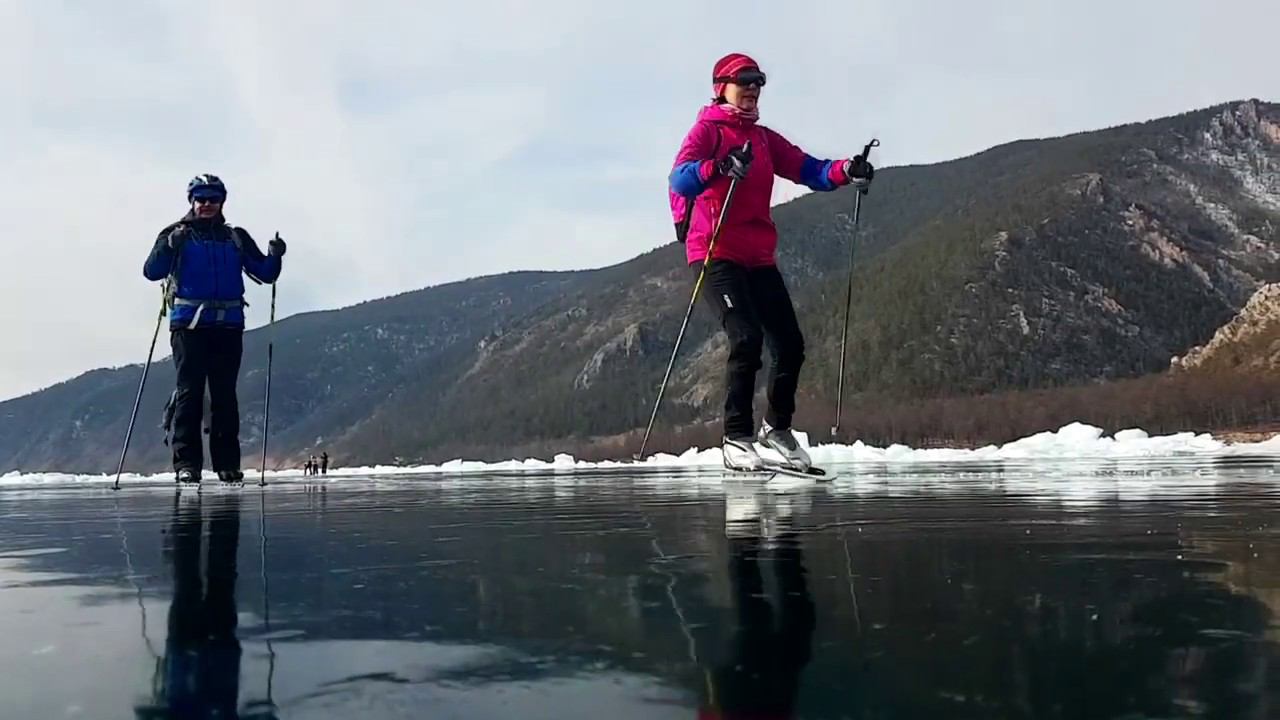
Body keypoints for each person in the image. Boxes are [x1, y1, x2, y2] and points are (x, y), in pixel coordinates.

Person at [669, 53, 874, 471]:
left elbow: (807, 168)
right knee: (745, 338)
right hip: (715, 251)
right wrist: (721, 165)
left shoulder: (762, 140)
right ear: (720, 87)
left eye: (758, 82)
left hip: (758, 256)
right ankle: (736, 439)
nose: (752, 89)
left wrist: (846, 170)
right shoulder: (707, 130)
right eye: (743, 81)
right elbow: (680, 178)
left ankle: (776, 429)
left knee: (790, 345)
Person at [144, 174, 285, 484]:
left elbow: (265, 273)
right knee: (189, 393)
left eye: (213, 199)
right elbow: (152, 271)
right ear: (192, 201)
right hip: (189, 325)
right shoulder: (176, 234)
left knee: (225, 395)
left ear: (222, 202)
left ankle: (227, 464)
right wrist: (169, 247)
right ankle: (187, 464)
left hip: (228, 325)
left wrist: (275, 256)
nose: (207, 204)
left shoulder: (235, 237)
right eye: (201, 199)